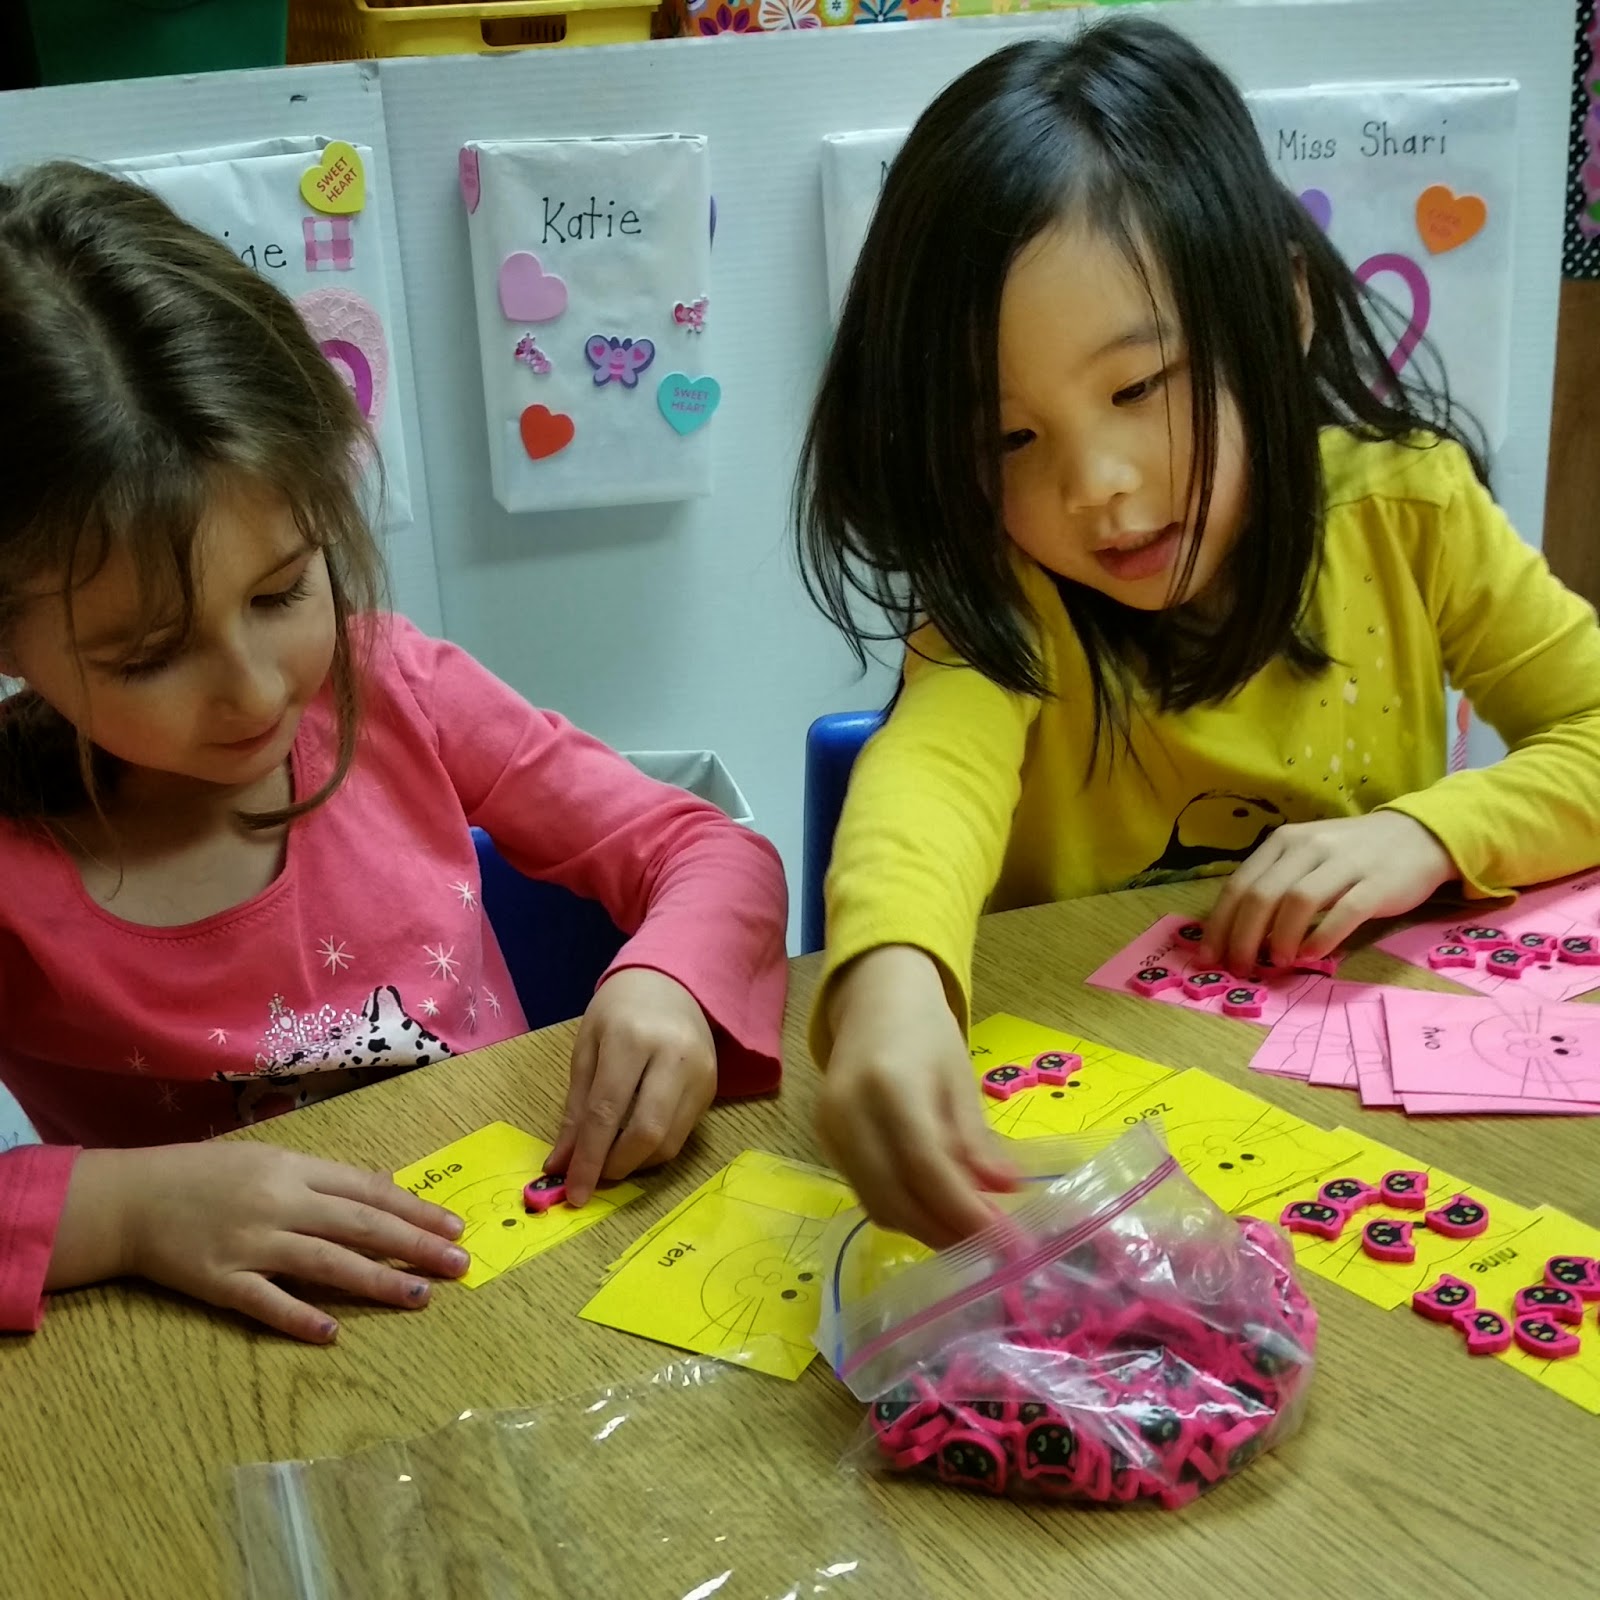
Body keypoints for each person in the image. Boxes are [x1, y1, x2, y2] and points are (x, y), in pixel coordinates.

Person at [795, 16, 1600, 1247]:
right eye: (1006, 436)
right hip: (1103, 1164)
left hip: (1362, 1152)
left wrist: (1427, 832)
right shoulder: (1005, 593)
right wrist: (893, 981)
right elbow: (924, 783)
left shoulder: (1408, 510)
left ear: (1276, 310)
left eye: (1139, 386)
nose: (1098, 486)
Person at [0, 162, 788, 1341]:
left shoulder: (404, 688)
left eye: (281, 590)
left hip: (525, 1292)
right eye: (148, 657)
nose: (255, 689)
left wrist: (667, 977)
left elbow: (709, 854)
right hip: (219, 1365)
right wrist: (123, 1208)